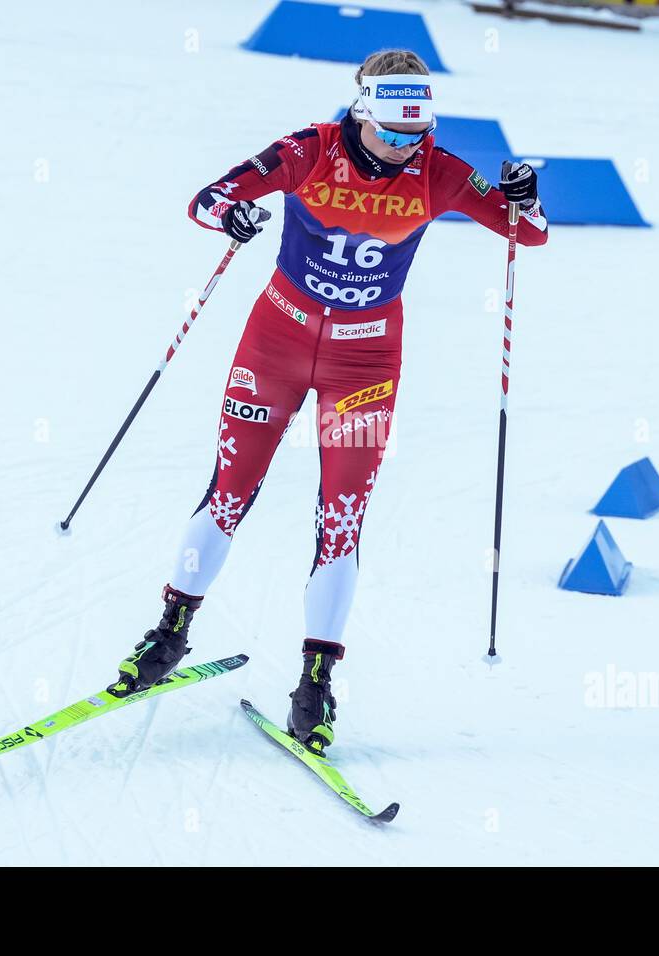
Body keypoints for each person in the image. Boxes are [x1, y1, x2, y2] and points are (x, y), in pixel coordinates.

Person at [108, 49, 548, 753]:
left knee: (341, 517)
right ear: (362, 113)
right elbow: (208, 197)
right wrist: (232, 217)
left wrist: (524, 198)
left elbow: (528, 233)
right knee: (229, 493)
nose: (410, 148)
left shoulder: (439, 172)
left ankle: (315, 683)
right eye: (396, 134)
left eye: (420, 133)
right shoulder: (308, 150)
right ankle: (168, 636)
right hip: (274, 344)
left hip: (366, 360)